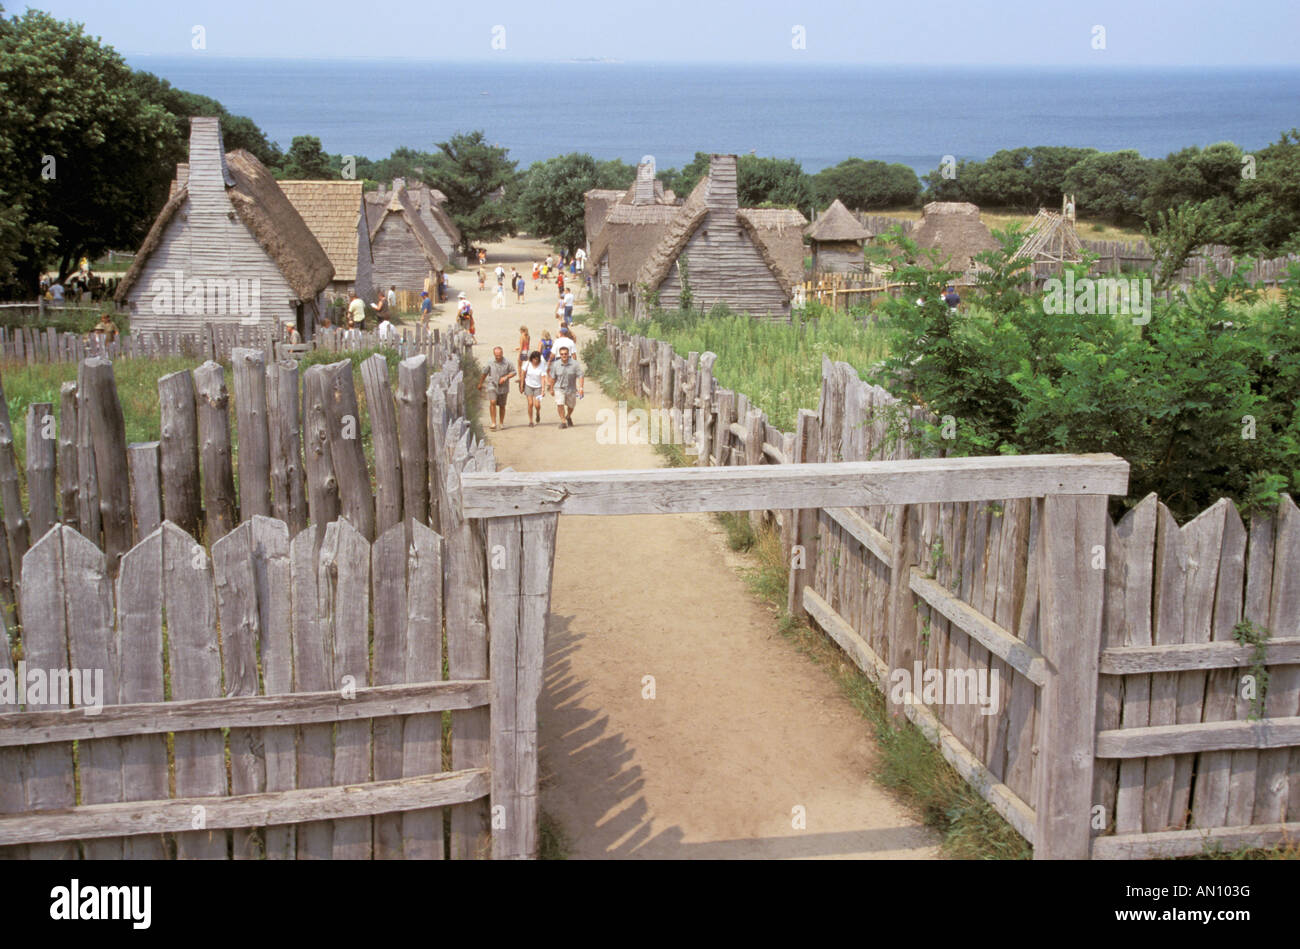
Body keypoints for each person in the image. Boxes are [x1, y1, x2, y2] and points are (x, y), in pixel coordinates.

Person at [547, 341, 584, 429]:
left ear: (568, 354)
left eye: (565, 354)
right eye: (562, 354)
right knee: (560, 403)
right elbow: (552, 377)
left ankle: (568, 416)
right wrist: (551, 388)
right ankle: (563, 421)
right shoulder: (555, 365)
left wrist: (581, 388)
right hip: (559, 388)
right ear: (560, 355)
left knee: (571, 406)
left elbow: (580, 376)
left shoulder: (575, 364)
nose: (564, 356)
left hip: (571, 388)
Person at [478, 346, 516, 431]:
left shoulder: (507, 362)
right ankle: (493, 422)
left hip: (504, 387)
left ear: (502, 353)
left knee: (502, 405)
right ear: (494, 354)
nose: (498, 357)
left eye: (499, 355)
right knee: (493, 402)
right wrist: (480, 383)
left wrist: (506, 377)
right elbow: (484, 373)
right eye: (496, 355)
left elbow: (514, 372)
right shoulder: (490, 362)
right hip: (492, 384)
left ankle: (501, 423)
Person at [522, 350, 546, 426]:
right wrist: (521, 384)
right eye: (534, 359)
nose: (535, 361)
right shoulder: (527, 364)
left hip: (538, 387)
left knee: (537, 405)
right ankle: (531, 421)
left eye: (537, 359)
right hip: (528, 385)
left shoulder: (541, 365)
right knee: (530, 403)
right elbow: (523, 373)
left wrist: (543, 390)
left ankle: (538, 413)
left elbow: (543, 377)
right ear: (531, 358)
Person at [516, 325, 531, 392]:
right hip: (527, 352)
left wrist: (519, 355)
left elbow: (521, 346)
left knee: (519, 366)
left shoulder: (522, 337)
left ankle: (520, 378)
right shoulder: (528, 336)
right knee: (526, 366)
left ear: (521, 330)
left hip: (522, 352)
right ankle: (525, 377)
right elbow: (527, 346)